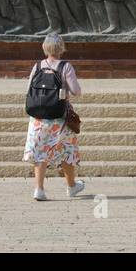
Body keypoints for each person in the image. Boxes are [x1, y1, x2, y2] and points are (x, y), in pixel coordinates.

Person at [22, 34, 85, 201]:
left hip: (38, 118)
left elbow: (29, 89)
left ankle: (39, 190)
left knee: (40, 152)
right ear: (61, 48)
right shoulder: (65, 67)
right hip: (60, 118)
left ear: (45, 48)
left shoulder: (37, 66)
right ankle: (71, 187)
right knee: (66, 152)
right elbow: (77, 91)